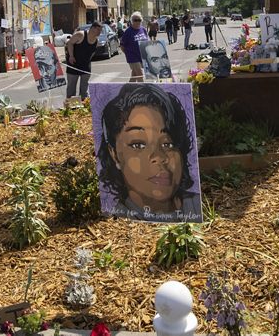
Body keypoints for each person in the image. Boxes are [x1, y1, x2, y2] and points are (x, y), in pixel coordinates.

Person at [95, 83, 201, 222]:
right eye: (138, 144)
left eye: (168, 144)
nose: (159, 157)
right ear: (114, 154)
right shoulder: (118, 221)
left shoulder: (198, 206)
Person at [64, 22, 101, 101]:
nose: (99, 32)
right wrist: (71, 56)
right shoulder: (80, 35)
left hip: (86, 67)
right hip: (73, 65)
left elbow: (93, 52)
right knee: (71, 88)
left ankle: (84, 107)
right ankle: (70, 107)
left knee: (84, 90)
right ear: (92, 28)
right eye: (98, 30)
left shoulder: (96, 41)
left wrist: (87, 60)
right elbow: (70, 43)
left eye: (100, 30)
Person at [120, 12, 149, 82]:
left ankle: (128, 90)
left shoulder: (143, 29)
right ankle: (142, 91)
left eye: (139, 20)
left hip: (142, 56)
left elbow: (148, 40)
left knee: (134, 76)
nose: (137, 22)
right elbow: (122, 45)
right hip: (132, 57)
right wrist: (128, 53)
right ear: (132, 21)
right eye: (135, 20)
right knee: (140, 74)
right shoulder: (128, 31)